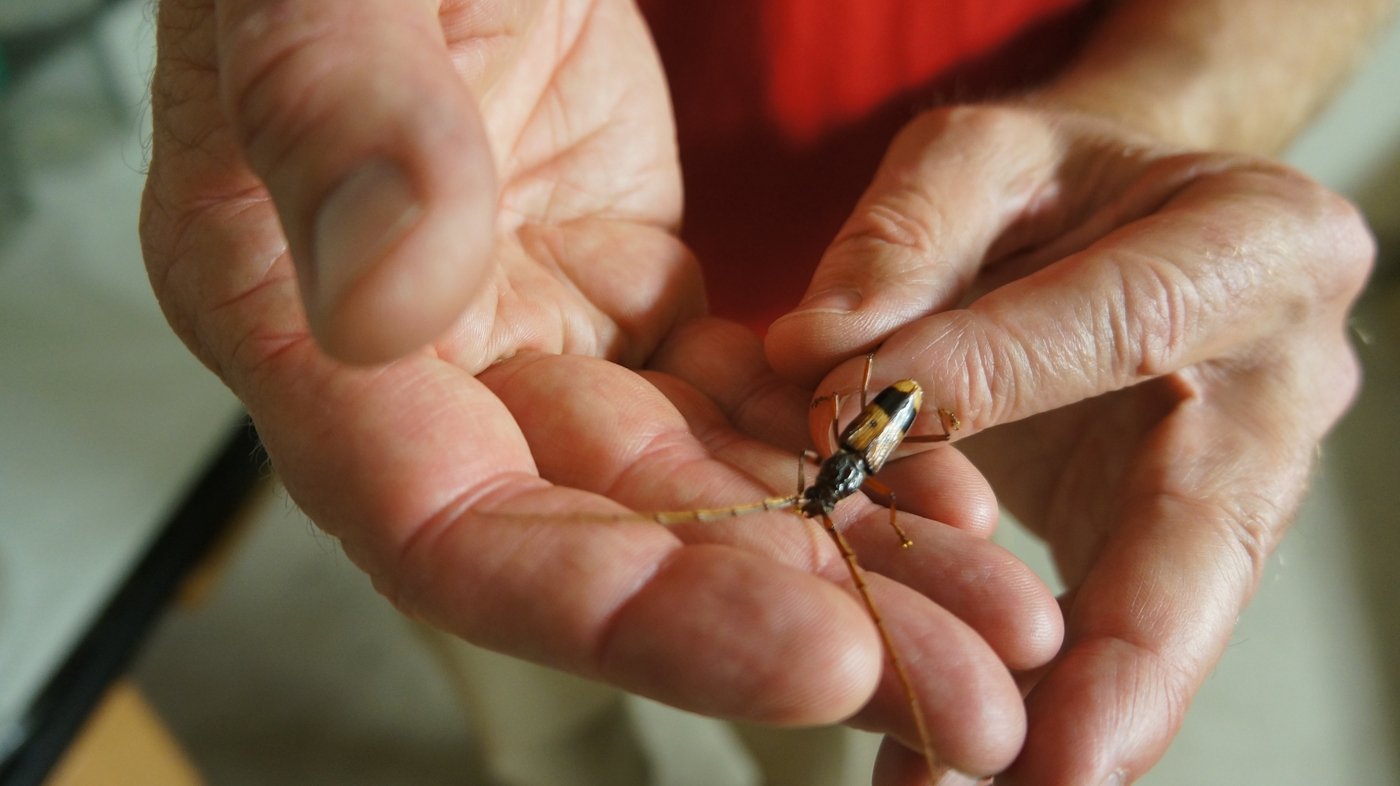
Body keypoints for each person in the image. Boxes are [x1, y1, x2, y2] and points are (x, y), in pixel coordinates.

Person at [140, 0, 1390, 783]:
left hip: (920, 275)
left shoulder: (840, 464)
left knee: (807, 704)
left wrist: (1143, 121)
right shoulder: (820, 465)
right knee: (538, 714)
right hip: (513, 294)